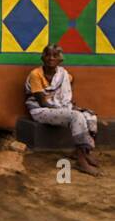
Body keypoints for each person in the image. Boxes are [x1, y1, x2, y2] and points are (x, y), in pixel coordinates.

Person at [26, 45, 100, 175]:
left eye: (55, 56)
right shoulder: (35, 74)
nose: (51, 58)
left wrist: (69, 105)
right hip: (40, 110)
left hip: (59, 108)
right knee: (76, 116)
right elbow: (43, 102)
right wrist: (67, 109)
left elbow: (67, 88)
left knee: (90, 116)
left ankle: (82, 152)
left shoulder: (63, 74)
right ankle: (81, 162)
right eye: (48, 55)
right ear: (43, 57)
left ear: (60, 59)